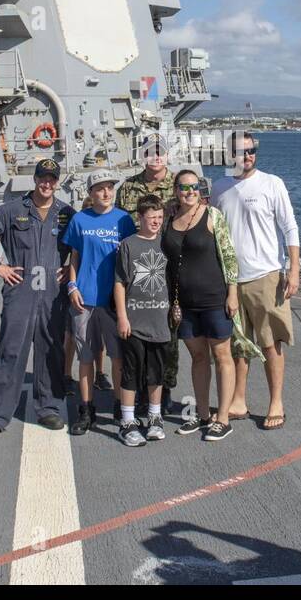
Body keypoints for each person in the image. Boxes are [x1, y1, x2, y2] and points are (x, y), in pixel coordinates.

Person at [0, 158, 73, 441]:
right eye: (43, 177)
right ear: (35, 179)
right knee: (11, 351)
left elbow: (80, 244)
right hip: (21, 290)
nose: (47, 183)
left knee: (51, 350)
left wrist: (70, 266)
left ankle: (49, 407)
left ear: (57, 181)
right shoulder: (12, 211)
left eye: (52, 178)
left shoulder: (66, 214)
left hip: (53, 292)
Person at [215, 132, 300, 430]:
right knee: (240, 344)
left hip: (266, 276)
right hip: (231, 281)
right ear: (229, 156)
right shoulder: (220, 188)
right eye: (241, 152)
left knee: (270, 343)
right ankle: (238, 399)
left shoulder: (271, 183)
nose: (248, 156)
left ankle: (276, 401)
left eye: (252, 151)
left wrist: (294, 270)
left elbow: (289, 227)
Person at [164, 168, 242, 442]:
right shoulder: (169, 218)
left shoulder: (213, 216)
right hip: (184, 304)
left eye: (194, 187)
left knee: (222, 357)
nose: (190, 192)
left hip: (214, 299)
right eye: (184, 187)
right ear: (176, 190)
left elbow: (230, 257)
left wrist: (232, 293)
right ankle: (202, 414)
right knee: (198, 358)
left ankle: (222, 418)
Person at [64, 169, 137, 435]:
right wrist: (72, 285)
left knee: (117, 357)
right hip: (84, 299)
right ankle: (86, 411)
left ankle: (119, 407)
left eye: (109, 187)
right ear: (91, 193)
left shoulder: (124, 220)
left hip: (113, 300)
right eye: (100, 188)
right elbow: (74, 256)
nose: (106, 193)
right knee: (85, 358)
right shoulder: (80, 220)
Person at [117, 133, 178, 416]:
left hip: (167, 270)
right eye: (150, 151)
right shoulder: (128, 188)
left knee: (167, 339)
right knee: (135, 342)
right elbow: (116, 225)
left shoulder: (178, 185)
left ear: (167, 155)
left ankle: (163, 393)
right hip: (135, 270)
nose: (155, 156)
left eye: (160, 151)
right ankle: (138, 395)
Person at [112, 194, 175, 447]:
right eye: (151, 218)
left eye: (160, 217)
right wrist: (122, 317)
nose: (156, 222)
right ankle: (127, 422)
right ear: (140, 217)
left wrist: (176, 308)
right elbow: (119, 282)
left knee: (155, 372)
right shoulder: (128, 245)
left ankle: (154, 416)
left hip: (160, 320)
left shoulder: (167, 243)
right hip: (135, 321)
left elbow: (174, 281)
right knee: (131, 372)